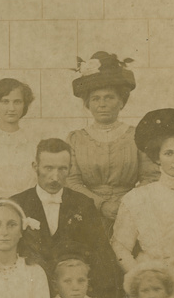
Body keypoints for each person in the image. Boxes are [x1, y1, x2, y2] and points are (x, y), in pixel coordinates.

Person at [112, 82, 174, 298]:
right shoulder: (137, 198)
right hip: (151, 283)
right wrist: (139, 274)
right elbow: (120, 246)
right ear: (157, 158)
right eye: (168, 153)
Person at [11, 138, 121, 298]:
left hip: (75, 297)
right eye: (48, 168)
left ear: (70, 169)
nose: (55, 177)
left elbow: (102, 255)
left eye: (62, 169)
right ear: (35, 167)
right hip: (29, 296)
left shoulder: (83, 204)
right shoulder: (17, 205)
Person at [65, 51, 159, 229]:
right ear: (88, 104)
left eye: (109, 97)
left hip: (132, 213)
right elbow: (71, 181)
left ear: (121, 102)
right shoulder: (75, 139)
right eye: (95, 99)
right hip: (88, 213)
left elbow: (151, 177)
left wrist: (126, 204)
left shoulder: (138, 136)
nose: (102, 104)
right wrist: (101, 205)